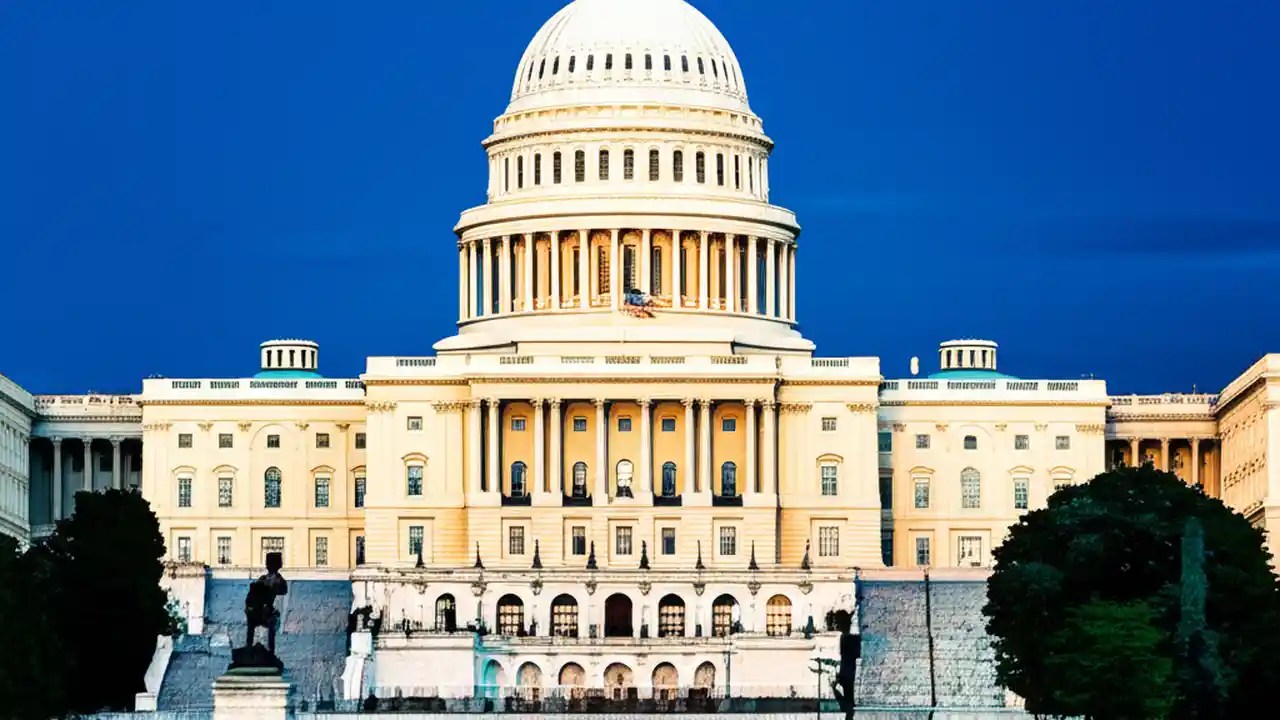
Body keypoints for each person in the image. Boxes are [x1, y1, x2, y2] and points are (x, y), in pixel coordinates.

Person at [244, 551, 289, 653]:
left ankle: (271, 650)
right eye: (268, 563)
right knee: (251, 622)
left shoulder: (278, 580)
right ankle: (248, 647)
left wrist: (271, 587)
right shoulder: (263, 578)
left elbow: (283, 590)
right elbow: (252, 594)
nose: (268, 565)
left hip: (268, 611)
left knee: (272, 622)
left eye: (270, 563)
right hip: (257, 610)